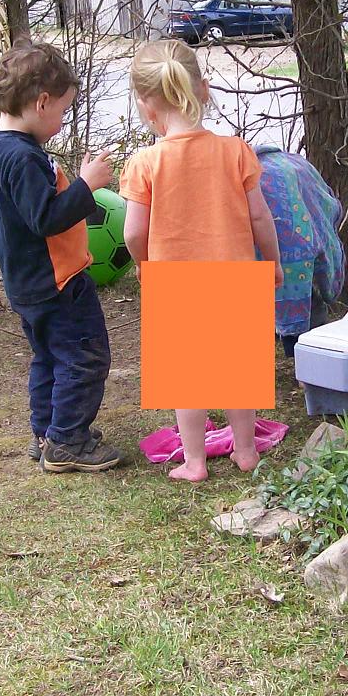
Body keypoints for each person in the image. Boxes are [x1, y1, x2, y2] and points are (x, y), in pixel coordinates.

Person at [119, 39, 282, 483]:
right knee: (237, 370)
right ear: (203, 90)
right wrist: (273, 262)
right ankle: (245, 451)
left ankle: (194, 462)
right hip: (235, 274)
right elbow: (260, 217)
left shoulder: (145, 162)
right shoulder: (236, 151)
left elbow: (133, 231)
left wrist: (143, 264)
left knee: (187, 377)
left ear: (145, 105)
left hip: (176, 281)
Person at [0, 41, 124, 473]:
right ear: (41, 103)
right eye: (62, 110)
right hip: (57, 282)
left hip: (25, 281)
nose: (61, 120)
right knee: (86, 356)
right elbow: (46, 218)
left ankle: (46, 431)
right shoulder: (21, 158)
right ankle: (67, 440)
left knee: (49, 357)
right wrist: (86, 185)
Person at [255, 144, 345, 356]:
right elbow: (324, 206)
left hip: (283, 252)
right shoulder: (296, 166)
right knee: (308, 298)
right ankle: (311, 366)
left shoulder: (248, 170)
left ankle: (310, 364)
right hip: (302, 251)